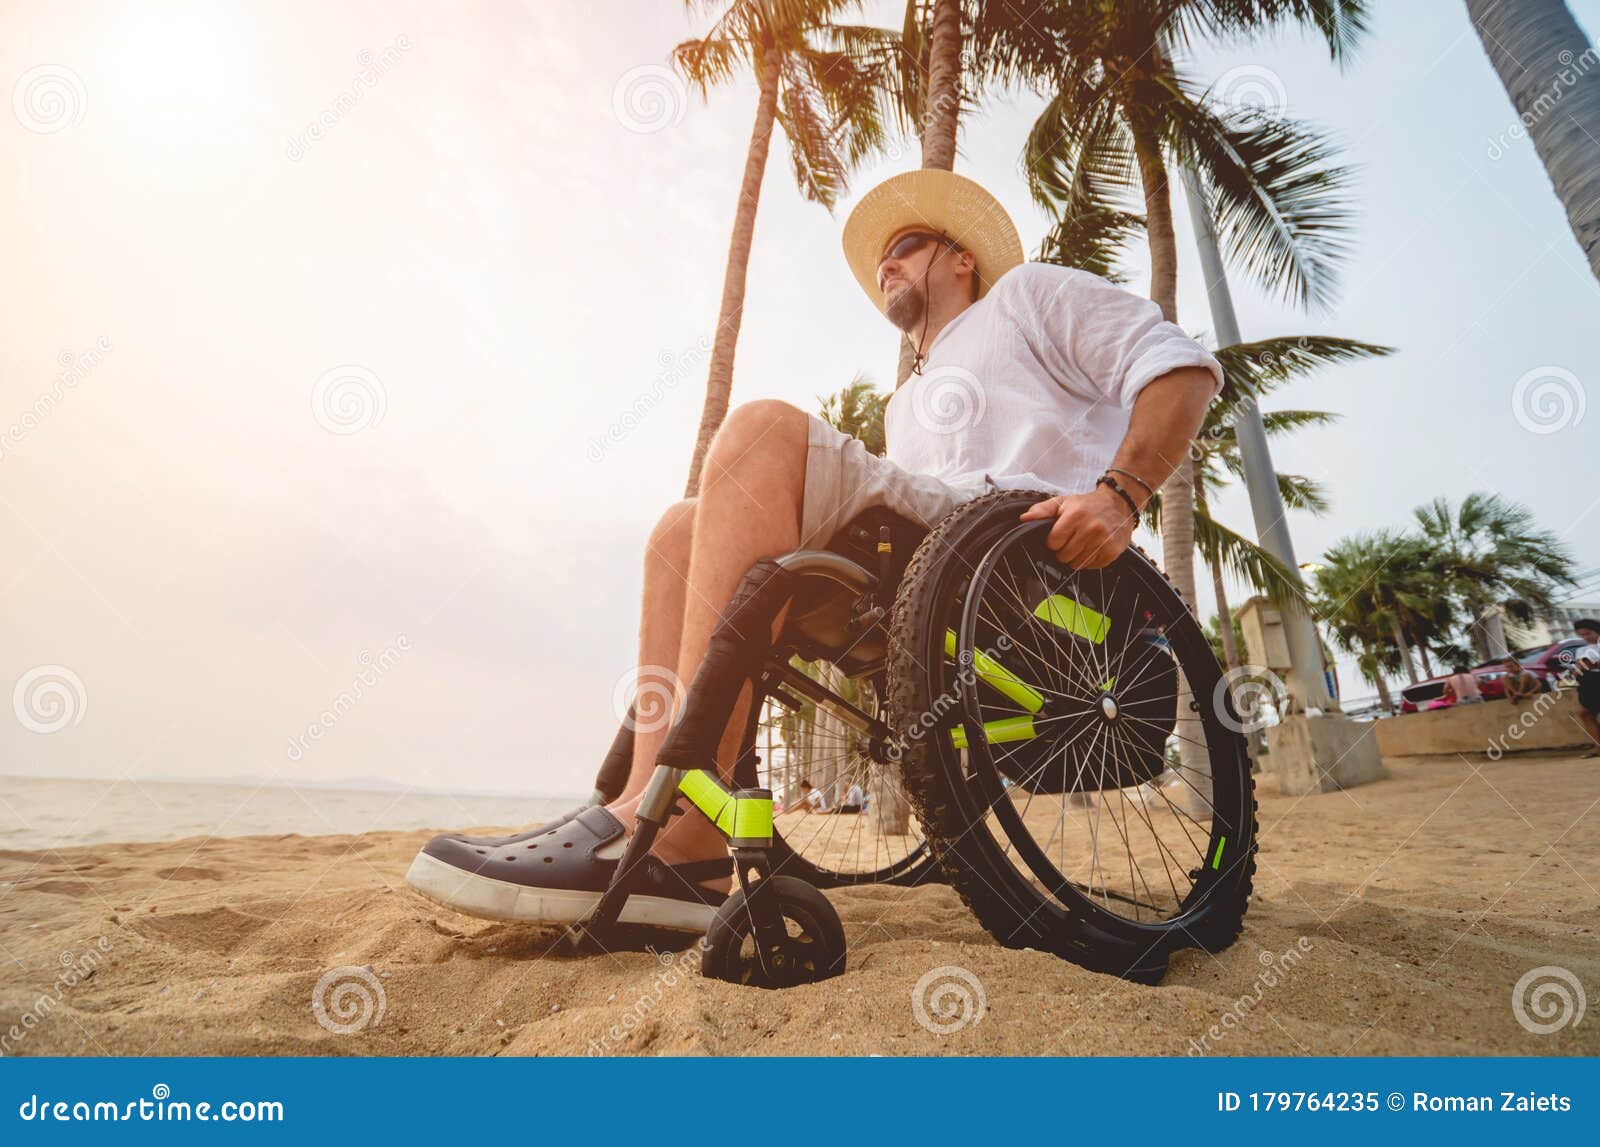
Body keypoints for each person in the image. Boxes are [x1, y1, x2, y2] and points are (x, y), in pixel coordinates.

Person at [406, 169, 1224, 930]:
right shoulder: (907, 402)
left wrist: (1120, 495)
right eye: (881, 258)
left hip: (1016, 547)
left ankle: (679, 827)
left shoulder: (1030, 298)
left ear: (963, 259)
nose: (885, 264)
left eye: (905, 246)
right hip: (925, 564)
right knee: (675, 534)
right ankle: (637, 799)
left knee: (760, 428)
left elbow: (1182, 368)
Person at [1573, 619, 1600, 759]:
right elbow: (1579, 667)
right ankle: (1598, 746)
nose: (1585, 637)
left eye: (1588, 633)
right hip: (1588, 683)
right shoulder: (1581, 650)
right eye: (1582, 635)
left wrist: (1591, 665)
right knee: (1586, 714)